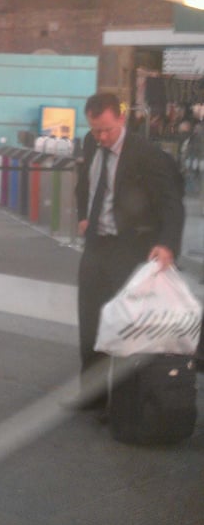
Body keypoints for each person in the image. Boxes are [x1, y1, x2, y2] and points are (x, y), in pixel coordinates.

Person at [74, 92, 185, 413]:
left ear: (121, 118)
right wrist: (83, 214)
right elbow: (85, 184)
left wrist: (166, 244)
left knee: (121, 327)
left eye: (107, 129)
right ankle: (93, 397)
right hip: (96, 247)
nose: (102, 137)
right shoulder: (90, 143)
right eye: (96, 130)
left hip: (128, 249)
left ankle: (122, 405)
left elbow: (170, 202)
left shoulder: (146, 154)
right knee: (90, 322)